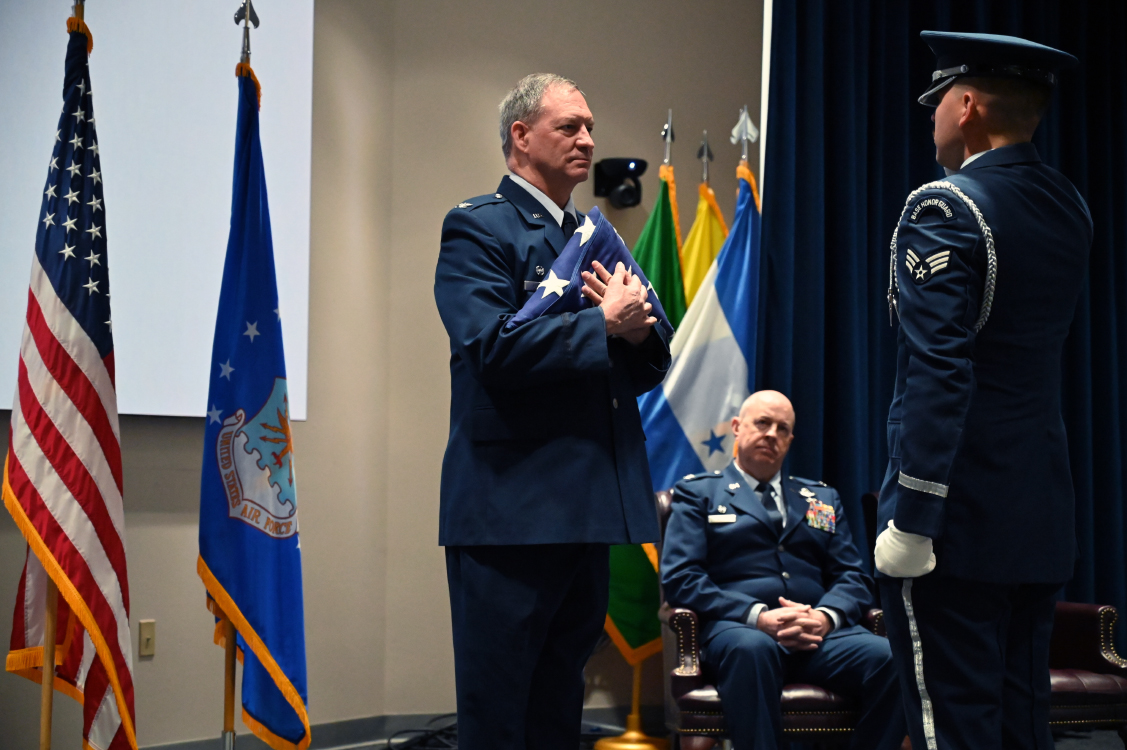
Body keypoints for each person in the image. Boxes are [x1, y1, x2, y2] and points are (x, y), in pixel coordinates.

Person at [433, 73, 672, 750]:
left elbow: (647, 366)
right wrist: (600, 325)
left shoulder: (589, 235)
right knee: (500, 710)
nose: (588, 140)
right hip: (511, 511)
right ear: (520, 136)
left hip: (585, 506)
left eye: (589, 126)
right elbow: (490, 349)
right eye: (569, 127)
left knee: (556, 706)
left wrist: (632, 333)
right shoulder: (479, 227)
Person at [875, 32, 1092, 750]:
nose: (930, 113)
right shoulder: (1067, 206)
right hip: (1038, 511)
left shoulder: (944, 207)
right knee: (1020, 723)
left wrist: (913, 513)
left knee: (952, 726)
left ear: (965, 105)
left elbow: (940, 371)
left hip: (956, 519)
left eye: (937, 99)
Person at [662, 391, 904, 750]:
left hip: (818, 633)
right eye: (762, 423)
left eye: (782, 428)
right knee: (753, 649)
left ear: (790, 440)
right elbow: (682, 578)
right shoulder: (699, 494)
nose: (771, 434)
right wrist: (758, 617)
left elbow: (852, 576)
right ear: (736, 428)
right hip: (739, 631)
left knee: (894, 660)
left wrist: (825, 617)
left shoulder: (821, 499)